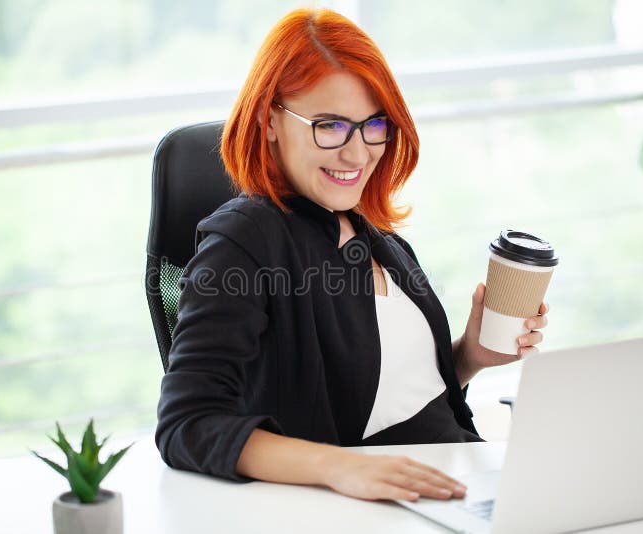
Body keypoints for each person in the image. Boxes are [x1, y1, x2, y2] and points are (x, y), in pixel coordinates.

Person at [155, 8, 548, 503]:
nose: (358, 154)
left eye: (373, 125)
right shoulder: (243, 243)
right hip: (371, 511)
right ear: (269, 120)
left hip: (458, 484)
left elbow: (396, 394)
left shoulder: (375, 235)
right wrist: (336, 467)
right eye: (330, 126)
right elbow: (187, 424)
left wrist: (469, 356)